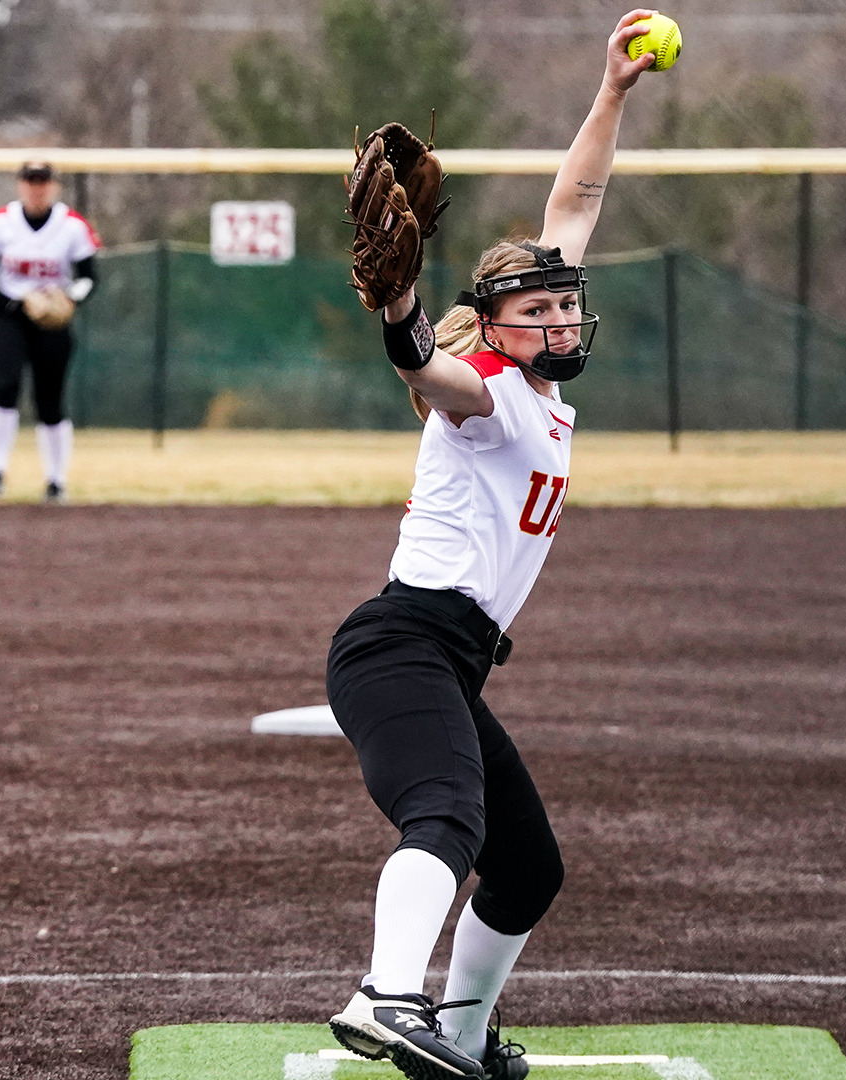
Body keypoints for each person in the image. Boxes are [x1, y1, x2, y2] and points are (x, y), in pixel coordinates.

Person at [324, 12, 657, 1080]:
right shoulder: (494, 395)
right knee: (447, 817)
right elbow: (432, 370)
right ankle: (385, 999)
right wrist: (402, 310)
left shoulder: (539, 396)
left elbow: (579, 201)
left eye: (570, 303)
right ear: (500, 324)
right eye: (540, 306)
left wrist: (611, 93)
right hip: (402, 645)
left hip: (452, 664)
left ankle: (462, 1037)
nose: (563, 317)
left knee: (528, 868)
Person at [0, 160, 100, 503]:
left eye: (43, 181)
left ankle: (56, 480)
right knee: (5, 386)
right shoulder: (1, 223)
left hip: (52, 320)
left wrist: (69, 298)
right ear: (20, 185)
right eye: (30, 181)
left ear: (54, 186)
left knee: (49, 399)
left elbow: (89, 276)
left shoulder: (72, 226)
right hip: (9, 311)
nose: (37, 188)